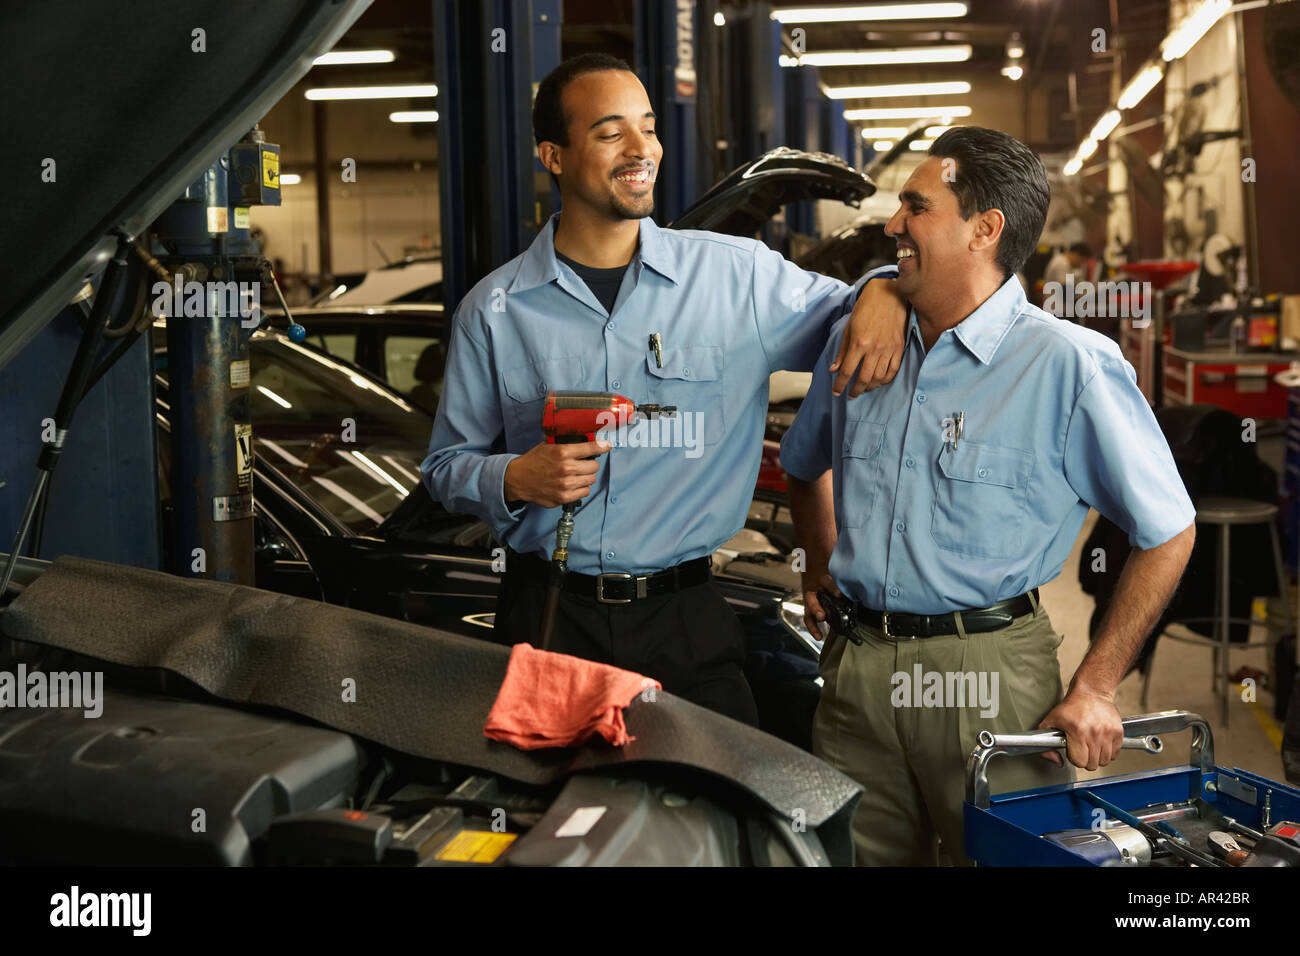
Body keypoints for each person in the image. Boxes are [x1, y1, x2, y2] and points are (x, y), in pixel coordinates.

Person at [421, 53, 907, 725]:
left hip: (686, 619)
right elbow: (444, 468)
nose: (641, 147)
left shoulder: (736, 279)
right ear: (553, 156)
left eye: (648, 126)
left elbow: (855, 317)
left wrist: (882, 287)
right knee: (563, 818)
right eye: (610, 130)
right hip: (550, 614)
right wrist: (514, 476)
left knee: (715, 809)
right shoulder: (495, 309)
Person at [780, 127, 1195, 865]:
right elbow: (804, 462)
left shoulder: (1068, 366)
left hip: (990, 679)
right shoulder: (864, 338)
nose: (893, 224)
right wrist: (820, 565)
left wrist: (1097, 684)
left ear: (985, 229)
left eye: (916, 206)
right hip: (859, 672)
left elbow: (1168, 529)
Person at [1042, 241, 1092, 317]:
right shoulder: (1061, 263)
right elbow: (1066, 291)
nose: (1081, 264)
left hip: (1062, 311)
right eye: (1082, 260)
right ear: (1076, 255)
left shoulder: (1068, 264)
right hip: (1055, 313)